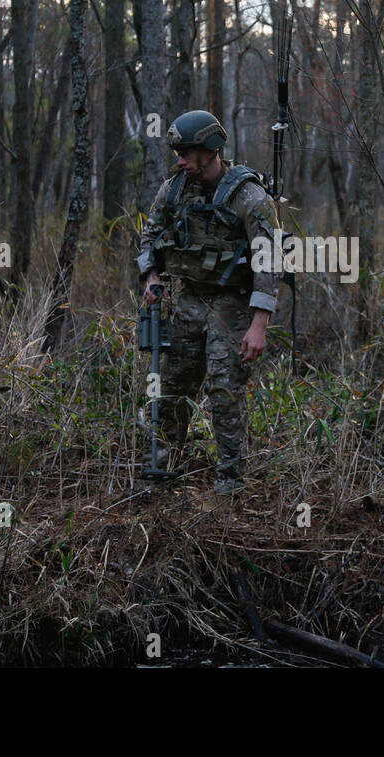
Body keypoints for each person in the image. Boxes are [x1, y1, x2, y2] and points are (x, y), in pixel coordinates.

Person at [136, 110, 281, 494]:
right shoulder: (174, 189)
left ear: (211, 150)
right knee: (171, 387)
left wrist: (258, 324)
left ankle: (229, 482)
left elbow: (270, 260)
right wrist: (152, 275)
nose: (179, 159)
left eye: (187, 151)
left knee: (224, 390)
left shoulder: (248, 196)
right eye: (178, 152)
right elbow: (150, 236)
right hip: (188, 300)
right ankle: (162, 471)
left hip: (232, 303)